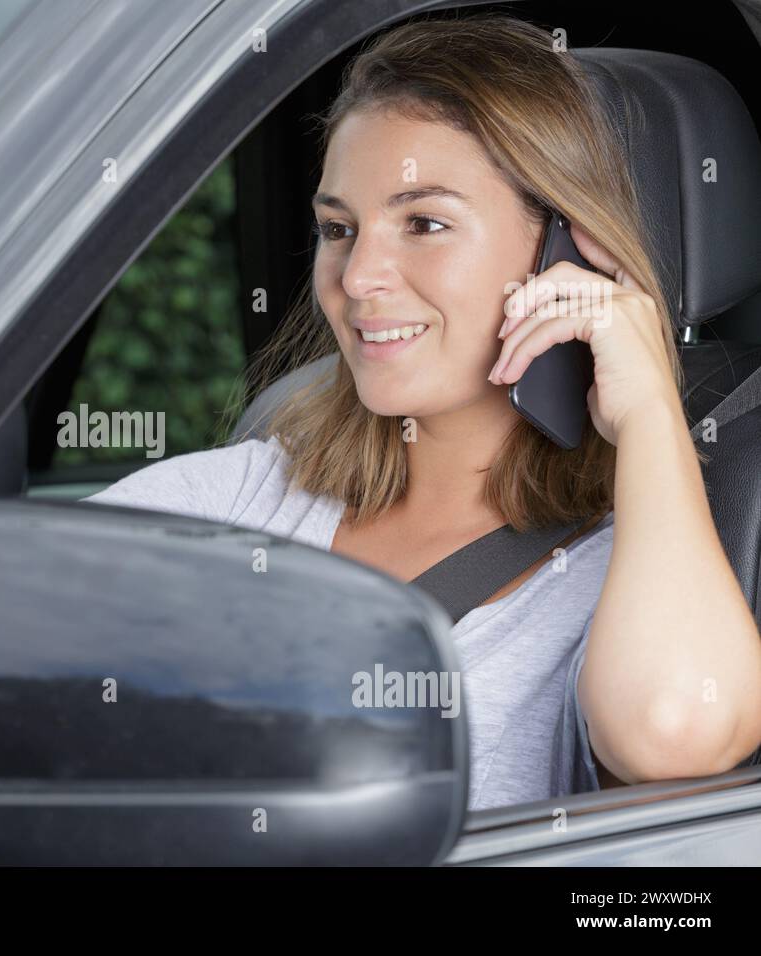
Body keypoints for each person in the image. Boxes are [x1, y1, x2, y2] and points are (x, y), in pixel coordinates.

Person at [84, 13, 761, 812]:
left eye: (425, 223)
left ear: (568, 254)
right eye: (338, 228)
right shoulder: (247, 496)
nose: (358, 275)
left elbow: (675, 733)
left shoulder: (620, 578)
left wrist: (650, 413)